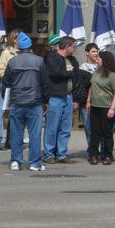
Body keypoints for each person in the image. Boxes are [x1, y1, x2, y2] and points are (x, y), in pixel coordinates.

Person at [4, 32, 49, 171]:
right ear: (30, 46)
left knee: (16, 133)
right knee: (34, 134)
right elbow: (45, 83)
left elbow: (6, 83)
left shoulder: (13, 62)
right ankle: (34, 163)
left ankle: (16, 161)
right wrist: (45, 100)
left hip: (17, 101)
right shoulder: (39, 61)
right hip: (34, 101)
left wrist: (7, 102)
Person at [43, 35, 78, 164]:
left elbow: (76, 73)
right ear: (67, 47)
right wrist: (69, 72)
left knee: (65, 127)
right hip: (56, 97)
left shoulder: (70, 59)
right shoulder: (52, 57)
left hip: (68, 96)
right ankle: (48, 154)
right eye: (73, 47)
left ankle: (62, 154)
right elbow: (56, 73)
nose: (74, 49)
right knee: (52, 127)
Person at [86, 51, 115, 165]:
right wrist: (88, 101)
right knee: (94, 132)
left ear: (105, 61)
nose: (97, 60)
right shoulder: (96, 73)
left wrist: (112, 108)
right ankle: (93, 155)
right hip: (95, 106)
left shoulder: (112, 75)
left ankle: (107, 155)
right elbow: (92, 86)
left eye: (99, 59)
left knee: (106, 133)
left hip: (106, 107)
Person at [0, 29, 21, 149]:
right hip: (7, 84)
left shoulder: (23, 52)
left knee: (16, 112)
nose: (20, 41)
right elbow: (0, 70)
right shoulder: (6, 53)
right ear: (14, 40)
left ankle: (13, 139)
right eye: (18, 38)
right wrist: (11, 73)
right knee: (2, 110)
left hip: (19, 86)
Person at [76, 42, 99, 147]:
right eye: (93, 51)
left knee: (98, 127)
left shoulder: (101, 66)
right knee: (88, 126)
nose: (96, 53)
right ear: (87, 53)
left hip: (100, 101)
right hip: (86, 102)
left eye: (97, 51)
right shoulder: (82, 68)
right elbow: (82, 86)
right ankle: (91, 148)